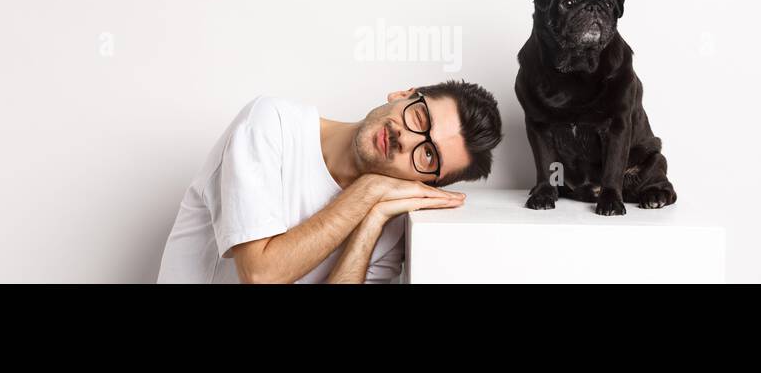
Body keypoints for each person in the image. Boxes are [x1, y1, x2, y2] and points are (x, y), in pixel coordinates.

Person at [156, 80, 503, 283]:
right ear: (402, 94)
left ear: (427, 184)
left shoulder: (389, 223)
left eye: (427, 154)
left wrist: (370, 224)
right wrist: (367, 190)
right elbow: (260, 275)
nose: (406, 139)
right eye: (419, 116)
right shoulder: (270, 123)